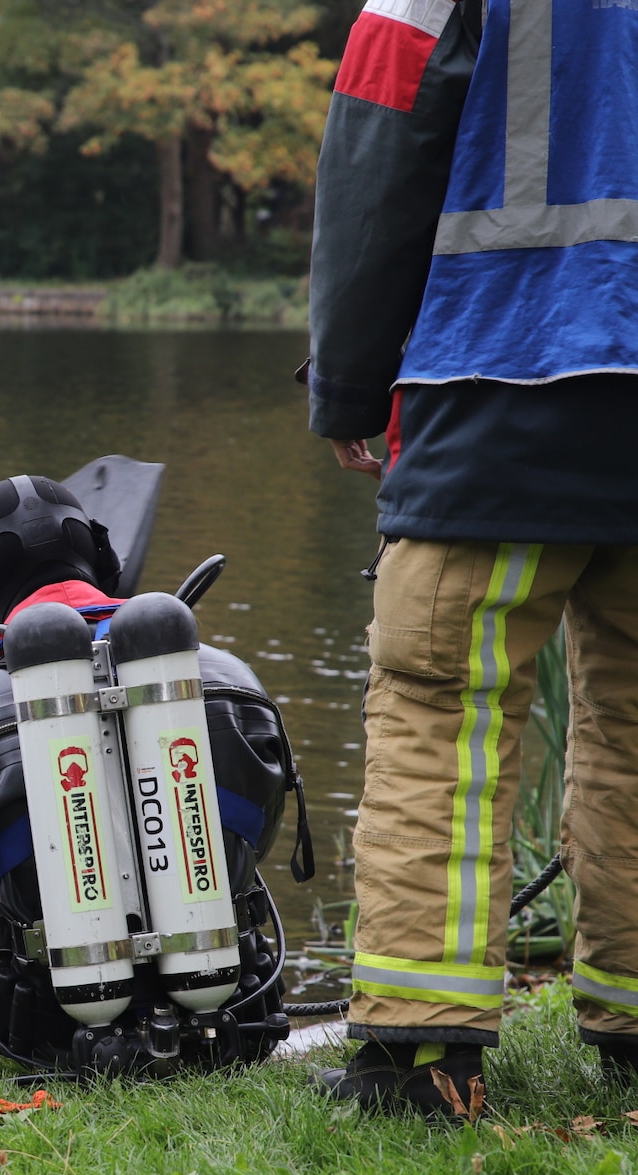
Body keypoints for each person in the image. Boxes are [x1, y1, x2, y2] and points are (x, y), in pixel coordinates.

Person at [307, 0, 638, 1115]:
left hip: (501, 371)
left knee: (440, 708)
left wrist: (348, 382)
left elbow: (377, 148)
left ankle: (420, 1054)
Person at [0, 476, 308, 1075]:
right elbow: (258, 840)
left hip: (50, 1039)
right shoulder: (231, 681)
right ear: (105, 561)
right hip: (232, 1018)